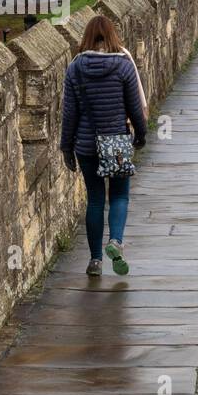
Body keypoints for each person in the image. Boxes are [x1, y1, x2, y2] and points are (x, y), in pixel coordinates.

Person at [60, 15, 147, 277]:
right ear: (112, 36)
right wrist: (141, 135)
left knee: (95, 200)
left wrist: (66, 147)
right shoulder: (123, 67)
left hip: (86, 145)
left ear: (86, 37)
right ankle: (115, 242)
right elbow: (134, 108)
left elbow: (69, 113)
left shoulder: (75, 68)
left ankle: (95, 261)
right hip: (117, 144)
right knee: (119, 195)